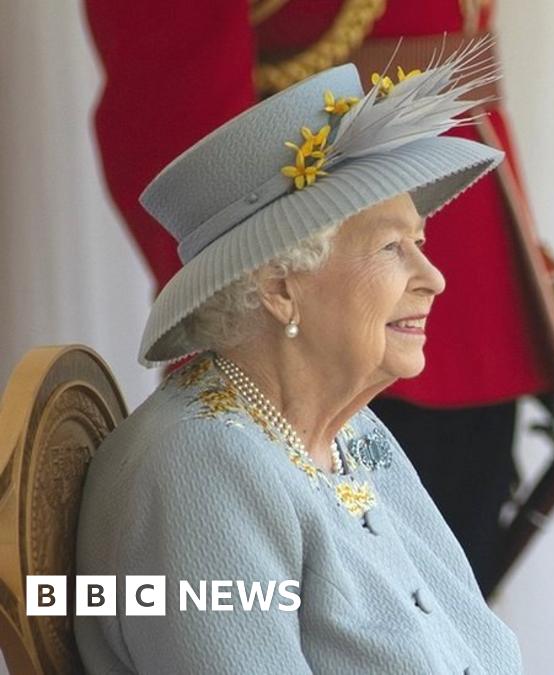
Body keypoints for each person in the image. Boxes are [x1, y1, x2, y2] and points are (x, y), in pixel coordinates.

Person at [84, 0, 554, 593]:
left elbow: (463, 111)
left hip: (464, 338)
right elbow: (170, 113)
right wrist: (248, 314)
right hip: (315, 325)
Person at [75, 48, 523, 673]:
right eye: (393, 248)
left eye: (419, 243)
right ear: (281, 286)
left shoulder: (354, 433)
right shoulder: (205, 466)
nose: (434, 279)